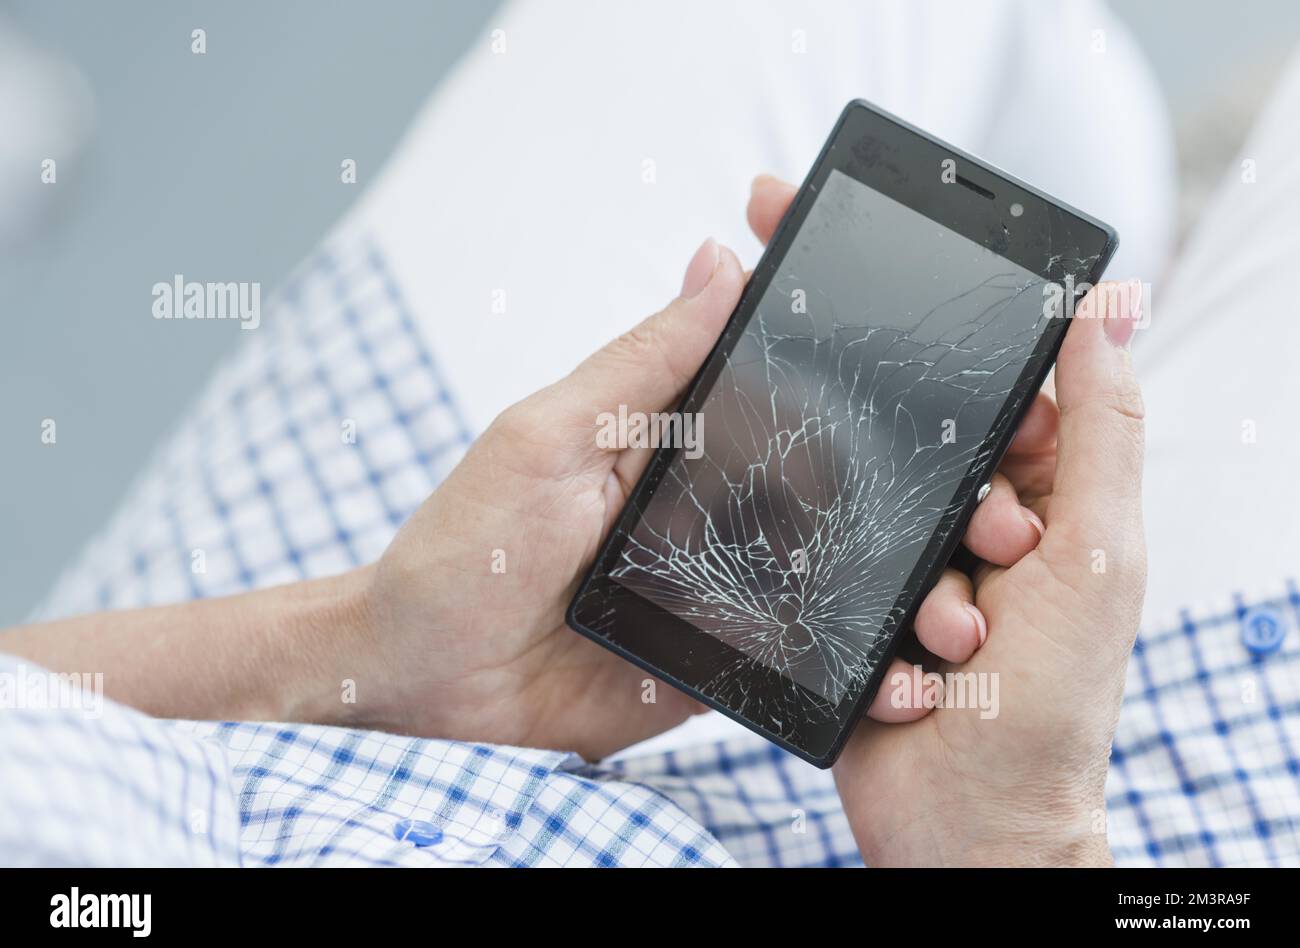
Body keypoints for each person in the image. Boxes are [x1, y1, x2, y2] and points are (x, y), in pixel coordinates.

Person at [2, 0, 1297, 867]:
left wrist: (371, 648)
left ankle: (1155, 220)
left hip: (329, 686)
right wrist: (1020, 840)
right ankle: (1175, 241)